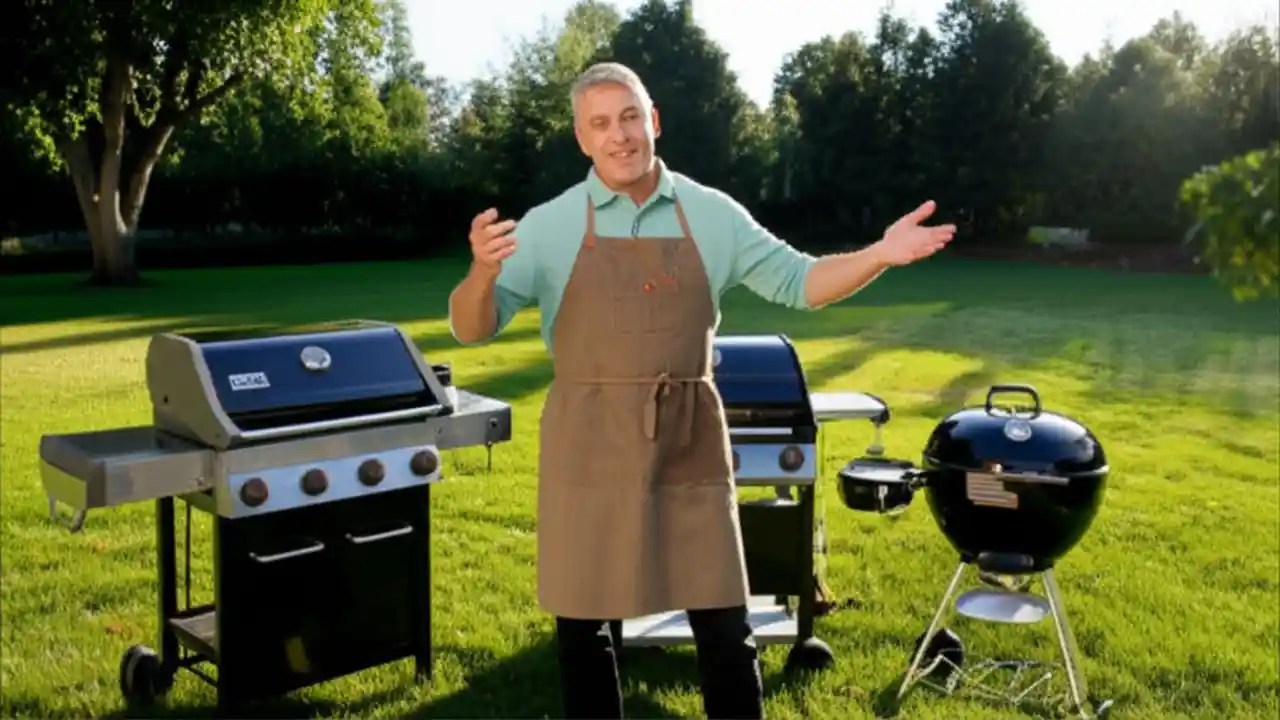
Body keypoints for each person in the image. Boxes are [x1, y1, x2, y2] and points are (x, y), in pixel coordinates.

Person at [448, 61, 955, 719]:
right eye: (600, 123)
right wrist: (482, 274)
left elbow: (800, 282)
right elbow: (472, 327)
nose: (619, 135)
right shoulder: (549, 225)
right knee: (584, 625)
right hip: (587, 440)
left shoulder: (712, 215)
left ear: (653, 121)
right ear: (582, 138)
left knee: (723, 620)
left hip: (688, 436)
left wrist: (879, 254)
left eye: (630, 116)